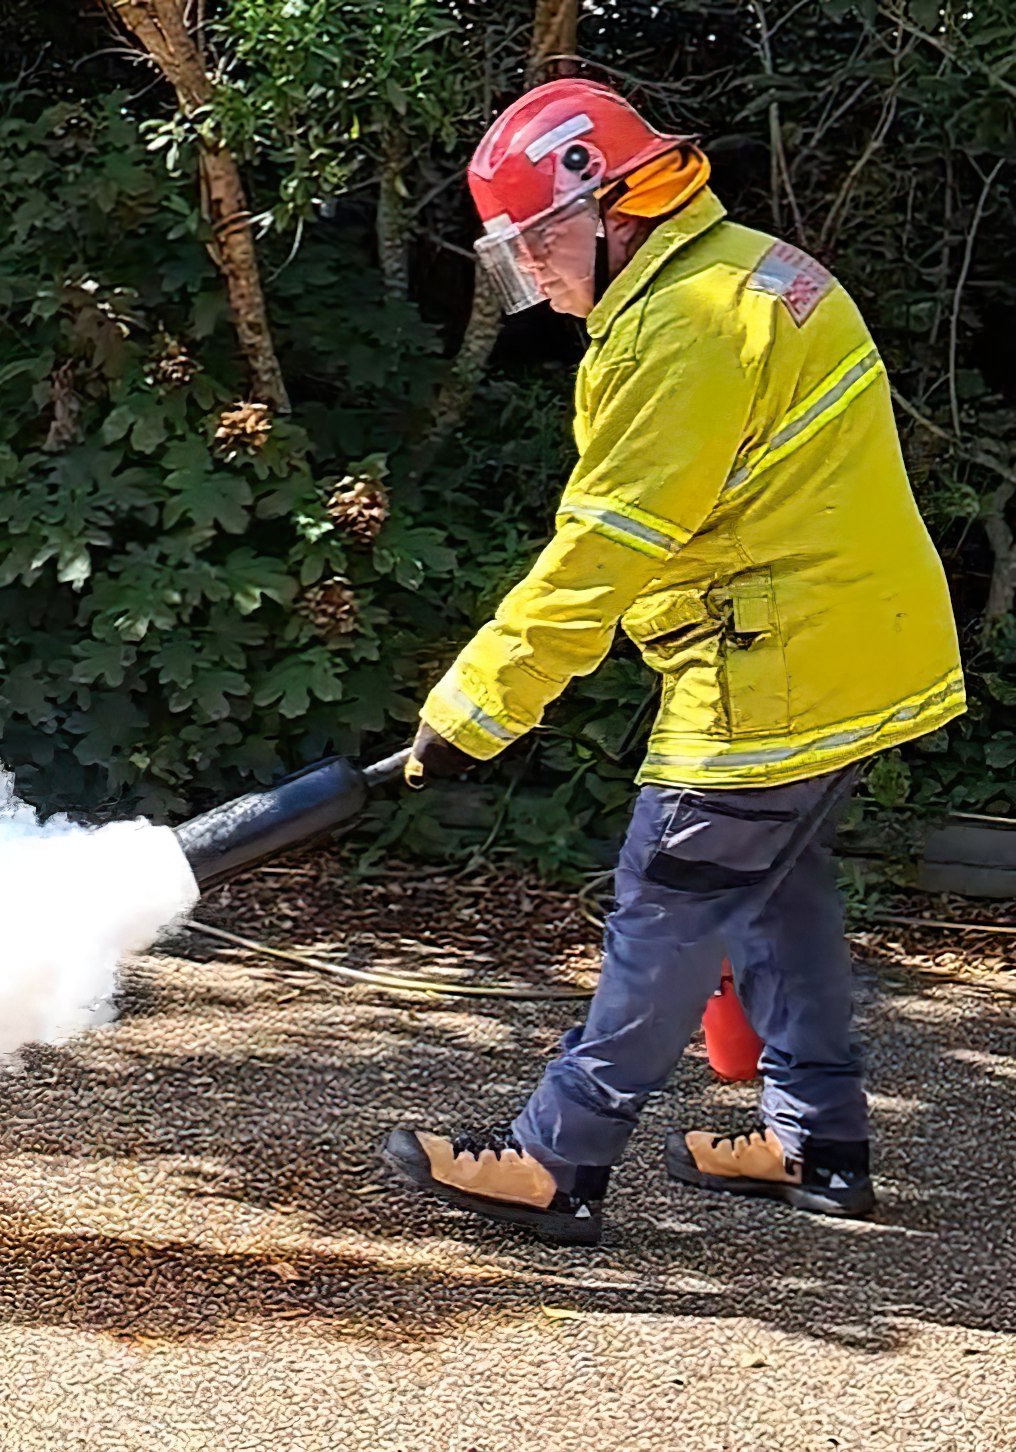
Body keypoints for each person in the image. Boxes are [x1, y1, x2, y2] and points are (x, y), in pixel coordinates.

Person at [379, 79, 965, 1244]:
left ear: (600, 209)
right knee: (776, 896)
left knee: (670, 903)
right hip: (853, 645)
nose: (532, 280)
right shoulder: (753, 269)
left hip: (774, 668)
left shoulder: (682, 325)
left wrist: (476, 706)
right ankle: (821, 1142)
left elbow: (604, 546)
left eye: (530, 249)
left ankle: (559, 1160)